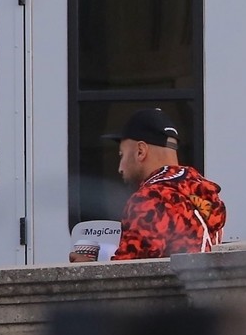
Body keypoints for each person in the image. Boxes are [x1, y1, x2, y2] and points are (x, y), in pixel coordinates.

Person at [97, 108, 227, 260]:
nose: (120, 168)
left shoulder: (151, 199)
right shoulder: (200, 192)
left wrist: (87, 266)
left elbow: (127, 272)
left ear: (140, 151)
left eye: (122, 155)